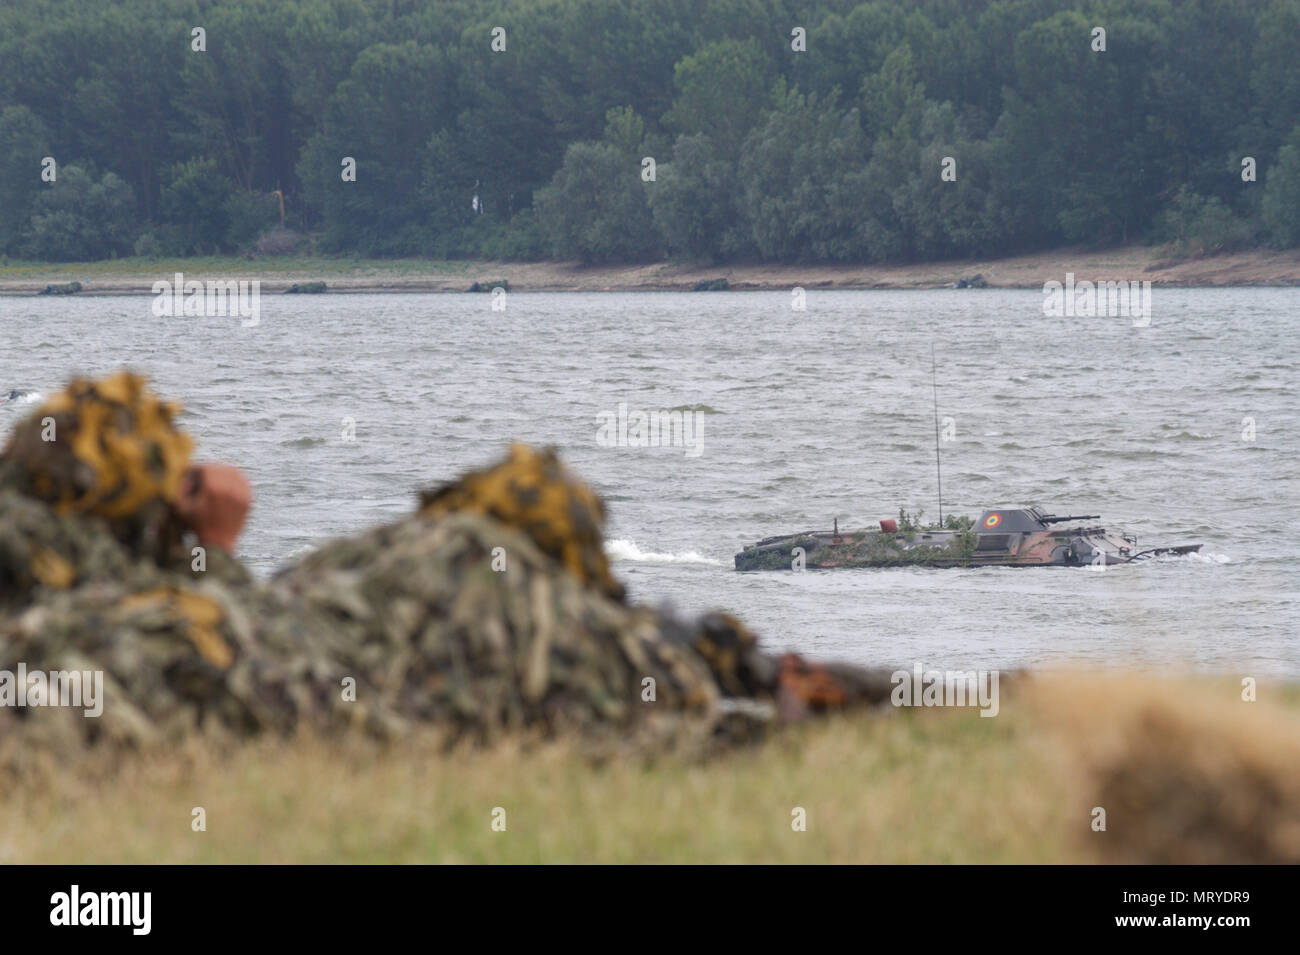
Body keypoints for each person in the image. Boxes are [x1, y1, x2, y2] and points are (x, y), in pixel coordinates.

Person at [0, 372, 891, 769]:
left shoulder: (74, 553)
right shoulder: (73, 571)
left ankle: (784, 684)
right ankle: (792, 687)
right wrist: (214, 539)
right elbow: (214, 630)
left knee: (607, 651)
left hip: (376, 606)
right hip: (388, 614)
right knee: (600, 663)